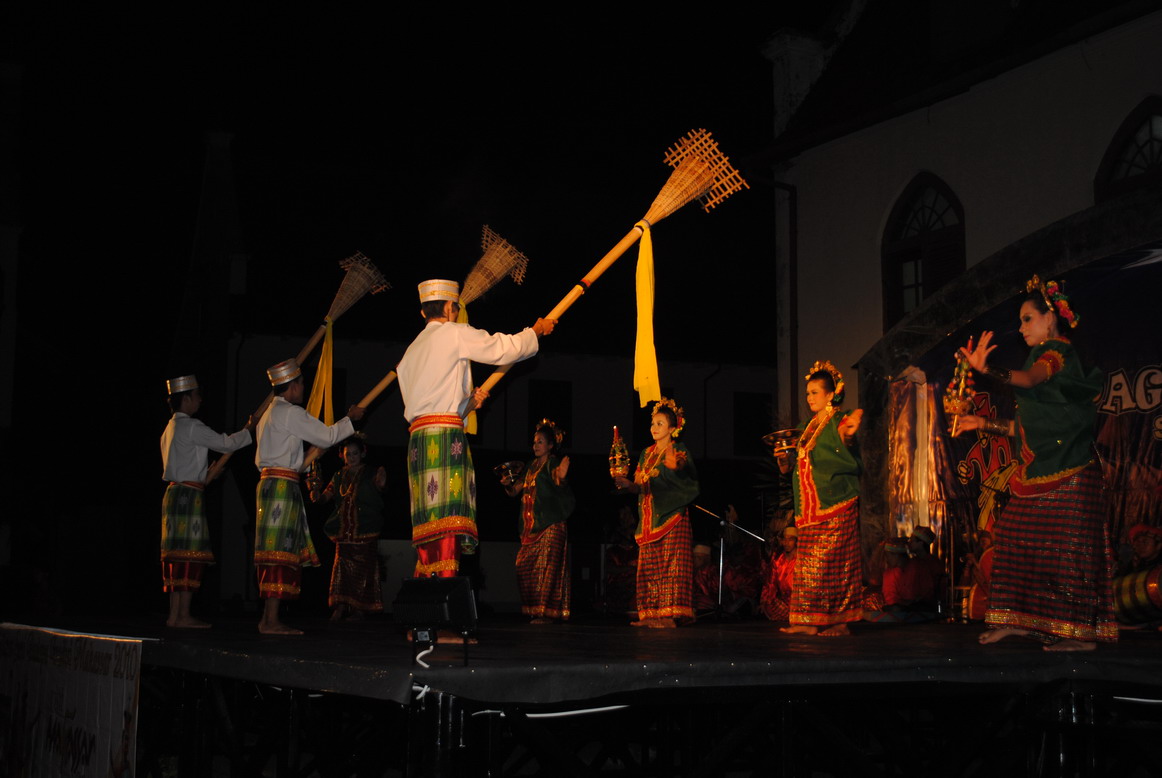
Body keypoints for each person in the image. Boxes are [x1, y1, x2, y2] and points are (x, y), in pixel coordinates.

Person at [954, 273, 1116, 651]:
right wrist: (983, 423)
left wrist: (986, 370)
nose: (1021, 327)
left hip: (1072, 472)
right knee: (1011, 535)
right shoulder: (1044, 362)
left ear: (1050, 319)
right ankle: (1021, 622)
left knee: (1068, 554)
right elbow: (1025, 428)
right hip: (1044, 468)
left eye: (1028, 319)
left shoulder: (1057, 355)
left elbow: (1027, 379)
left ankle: (1078, 635)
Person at [396, 279, 555, 580]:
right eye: (455, 309)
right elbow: (501, 348)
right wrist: (534, 332)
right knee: (446, 524)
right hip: (443, 440)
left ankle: (424, 607)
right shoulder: (453, 333)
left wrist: (466, 405)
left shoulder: (411, 352)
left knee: (430, 524)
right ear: (448, 307)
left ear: (422, 313)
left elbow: (428, 405)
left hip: (418, 442)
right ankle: (438, 612)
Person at [254, 359, 365, 635]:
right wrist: (351, 419)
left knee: (274, 550)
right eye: (301, 383)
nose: (303, 388)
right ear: (291, 387)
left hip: (271, 484)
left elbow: (297, 461)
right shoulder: (289, 412)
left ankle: (270, 617)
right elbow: (328, 436)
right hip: (281, 488)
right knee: (280, 550)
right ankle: (270, 620)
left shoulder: (269, 414)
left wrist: (313, 454)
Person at [775, 361, 864, 636]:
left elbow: (845, 439)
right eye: (808, 393)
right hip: (811, 509)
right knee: (809, 567)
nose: (809, 397)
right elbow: (795, 464)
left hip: (836, 503)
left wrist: (848, 434)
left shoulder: (838, 419)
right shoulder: (806, 427)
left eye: (815, 392)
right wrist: (784, 461)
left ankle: (840, 622)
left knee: (838, 566)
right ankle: (809, 621)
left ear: (830, 395)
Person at [160, 374, 253, 628]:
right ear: (187, 398)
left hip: (174, 495)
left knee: (176, 555)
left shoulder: (169, 429)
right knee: (189, 554)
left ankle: (175, 615)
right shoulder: (191, 426)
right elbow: (225, 444)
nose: (200, 400)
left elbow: (188, 468)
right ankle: (183, 615)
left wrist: (208, 474)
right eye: (197, 395)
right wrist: (248, 430)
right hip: (189, 497)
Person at [614, 397, 700, 628]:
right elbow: (638, 485)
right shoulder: (646, 454)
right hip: (649, 520)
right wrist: (627, 484)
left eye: (660, 423)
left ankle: (670, 616)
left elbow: (684, 469)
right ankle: (651, 615)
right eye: (653, 423)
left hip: (672, 517)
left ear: (673, 428)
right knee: (649, 568)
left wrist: (675, 466)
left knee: (672, 567)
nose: (654, 428)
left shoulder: (678, 450)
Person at [502, 418, 574, 623]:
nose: (535, 445)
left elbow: (559, 480)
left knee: (546, 569)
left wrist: (561, 476)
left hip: (551, 525)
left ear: (551, 445)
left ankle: (545, 612)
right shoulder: (530, 467)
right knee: (522, 566)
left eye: (540, 441)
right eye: (534, 442)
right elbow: (514, 491)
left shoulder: (552, 463)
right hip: (530, 528)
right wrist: (508, 484)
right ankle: (536, 610)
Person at [307, 435, 387, 621]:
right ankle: (340, 607)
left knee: (364, 571)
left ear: (363, 453)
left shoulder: (371, 472)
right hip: (344, 530)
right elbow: (324, 498)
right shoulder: (338, 476)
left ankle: (359, 610)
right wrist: (316, 493)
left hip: (365, 529)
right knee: (340, 568)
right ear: (341, 456)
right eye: (348, 454)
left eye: (355, 453)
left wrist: (381, 481)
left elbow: (381, 488)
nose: (351, 457)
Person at [759, 525, 797, 622]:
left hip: (800, 602)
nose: (786, 543)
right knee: (768, 605)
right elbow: (770, 583)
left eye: (790, 540)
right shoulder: (778, 561)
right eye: (785, 539)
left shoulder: (802, 560)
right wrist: (764, 601)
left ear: (796, 541)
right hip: (784, 603)